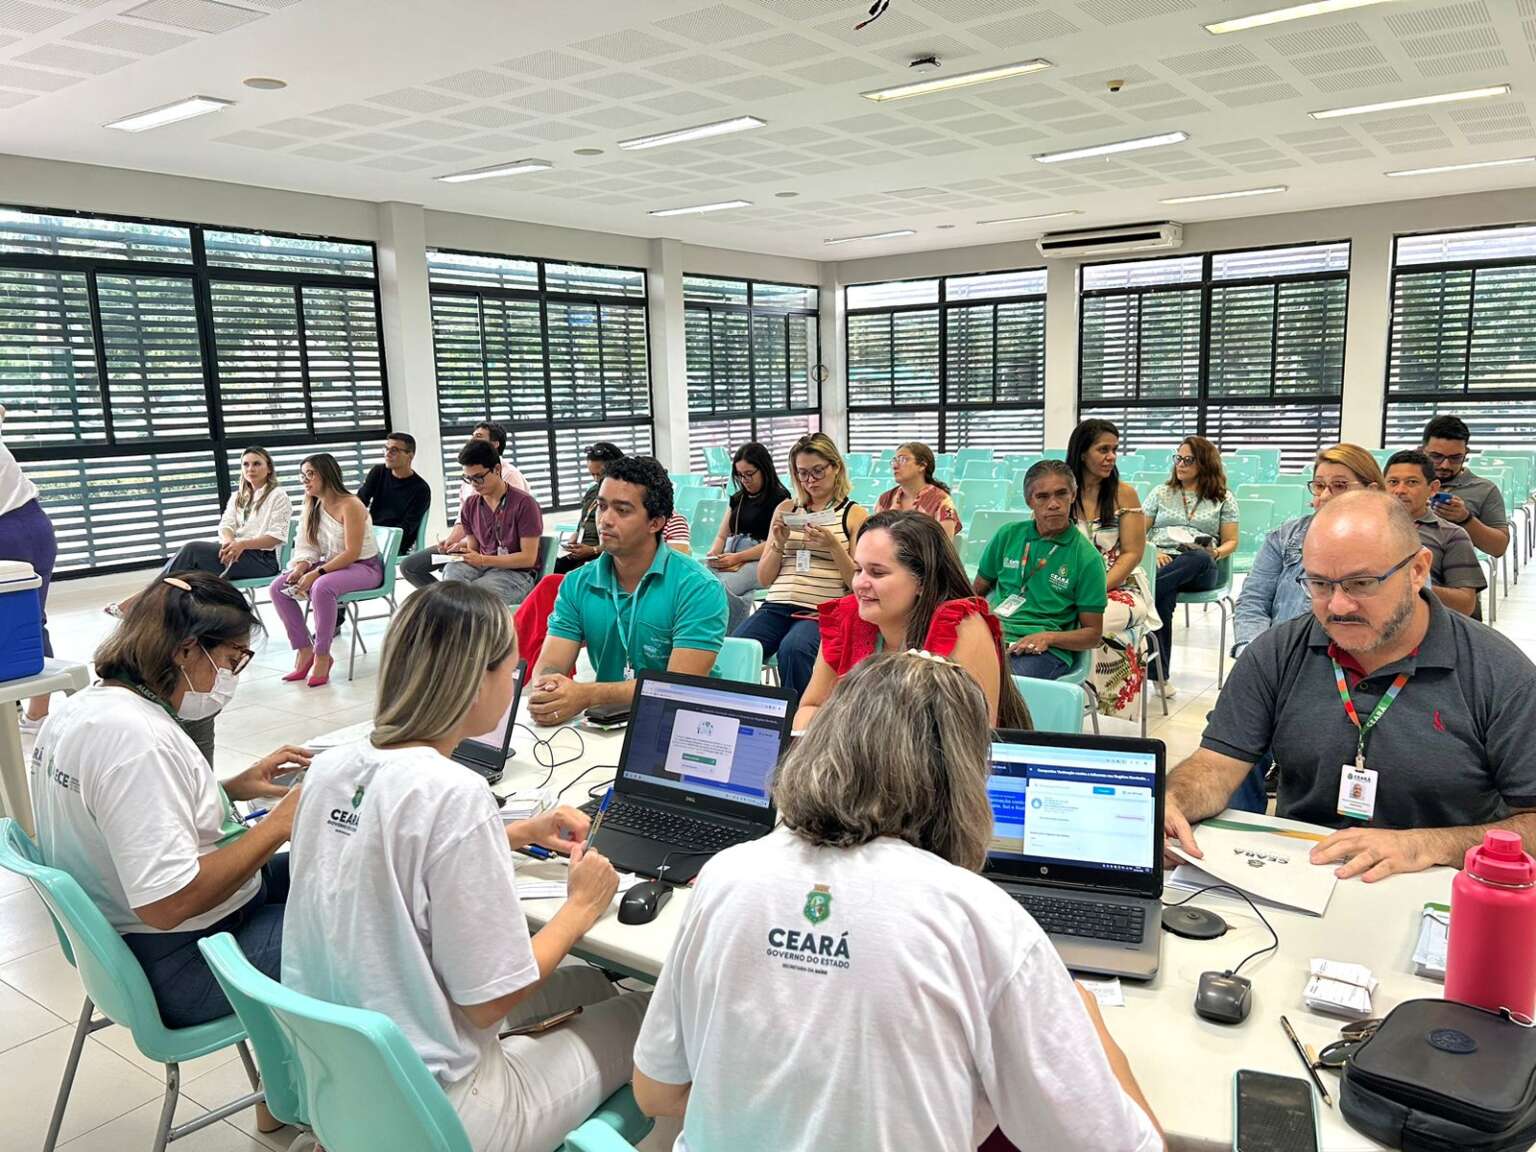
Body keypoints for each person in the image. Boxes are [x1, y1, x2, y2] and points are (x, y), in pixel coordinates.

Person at [632, 652, 1163, 1151]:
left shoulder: (725, 874)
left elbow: (655, 1094)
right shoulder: (982, 920)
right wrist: (1089, 1025)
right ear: (967, 776)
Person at [282, 581, 647, 1151]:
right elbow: (488, 1003)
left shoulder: (332, 769)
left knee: (589, 982)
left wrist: (516, 833)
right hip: (449, 1112)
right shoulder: (454, 794)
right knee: (648, 1012)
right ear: (477, 680)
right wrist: (580, 909)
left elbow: (387, 850)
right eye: (511, 671)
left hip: (349, 1082)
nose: (516, 682)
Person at [1165, 491, 1536, 884]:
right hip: (1306, 876)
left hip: (1436, 886)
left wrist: (1426, 845)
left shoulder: (1498, 673)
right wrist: (1173, 802)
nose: (1338, 606)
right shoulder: (1276, 653)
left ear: (1417, 570)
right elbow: (1214, 768)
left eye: (1361, 583)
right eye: (1320, 584)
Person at [29, 572, 308, 1029]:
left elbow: (129, 815)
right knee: (365, 922)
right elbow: (168, 903)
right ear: (185, 650)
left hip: (141, 941)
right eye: (231, 660)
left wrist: (235, 786)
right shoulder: (139, 742)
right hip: (182, 961)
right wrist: (277, 824)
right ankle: (301, 1090)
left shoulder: (89, 707)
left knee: (337, 867)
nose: (230, 677)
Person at [528, 456, 727, 726]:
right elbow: (551, 663)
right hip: (608, 722)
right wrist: (549, 687)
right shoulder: (577, 583)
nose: (605, 520)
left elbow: (675, 688)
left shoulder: (698, 588)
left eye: (622, 510)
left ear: (655, 523)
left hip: (683, 725)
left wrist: (586, 695)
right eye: (601, 506)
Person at [793, 510, 1030, 730]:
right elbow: (806, 711)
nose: (859, 584)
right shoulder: (847, 616)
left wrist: (849, 734)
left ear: (923, 581)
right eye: (858, 570)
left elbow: (970, 742)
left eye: (877, 573)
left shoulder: (962, 625)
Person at [732, 433, 868, 699]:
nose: (810, 481)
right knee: (737, 647)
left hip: (822, 607)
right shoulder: (786, 508)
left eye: (817, 471)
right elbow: (765, 577)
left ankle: (798, 727)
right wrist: (778, 545)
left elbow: (858, 582)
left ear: (835, 467)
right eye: (802, 474)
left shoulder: (854, 514)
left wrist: (833, 546)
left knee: (794, 649)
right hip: (778, 602)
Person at [1232, 444, 1385, 659]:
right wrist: (1255, 655)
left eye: (1340, 485)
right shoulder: (1284, 537)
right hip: (1284, 656)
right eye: (1320, 486)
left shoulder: (1396, 544)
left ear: (1371, 491)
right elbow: (1254, 600)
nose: (1325, 495)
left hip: (1362, 663)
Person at [106, 446, 292, 620]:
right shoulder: (238, 496)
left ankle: (142, 601)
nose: (250, 468)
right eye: (246, 464)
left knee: (192, 550)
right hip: (234, 553)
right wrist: (230, 542)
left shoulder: (278, 495)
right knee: (187, 572)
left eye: (257, 463)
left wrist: (241, 544)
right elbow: (226, 525)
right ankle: (164, 613)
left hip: (262, 561)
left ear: (269, 469)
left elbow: (275, 538)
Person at [974, 460, 1107, 681]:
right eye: (1042, 497)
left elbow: (1092, 635)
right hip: (995, 636)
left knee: (998, 684)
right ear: (1029, 501)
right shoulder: (1008, 535)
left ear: (1073, 495)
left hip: (1045, 651)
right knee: (940, 675)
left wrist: (1049, 638)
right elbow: (975, 592)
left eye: (1061, 494)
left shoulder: (1087, 558)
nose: (1053, 504)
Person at [268, 453, 382, 688]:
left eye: (310, 474)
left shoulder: (351, 504)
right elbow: (307, 545)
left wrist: (316, 574)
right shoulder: (312, 503)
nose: (305, 480)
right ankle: (304, 649)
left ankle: (322, 655)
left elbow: (352, 552)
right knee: (278, 587)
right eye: (303, 476)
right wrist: (300, 568)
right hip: (334, 566)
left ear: (327, 474)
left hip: (364, 567)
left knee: (322, 587)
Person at [1067, 419, 1154, 709]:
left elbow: (1132, 553)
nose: (1111, 457)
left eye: (1114, 450)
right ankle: (1067, 702)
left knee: (1094, 622)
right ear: (1082, 453)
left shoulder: (1124, 494)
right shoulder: (1063, 493)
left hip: (1120, 586)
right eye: (1103, 449)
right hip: (1069, 585)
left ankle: (1104, 711)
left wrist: (1094, 589)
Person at [1141, 436, 1239, 679]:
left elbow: (1231, 542)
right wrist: (1155, 552)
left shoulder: (1223, 498)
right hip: (1164, 562)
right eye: (1178, 458)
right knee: (1163, 597)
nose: (1181, 464)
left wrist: (1215, 553)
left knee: (1199, 557)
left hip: (1201, 566)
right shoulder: (1161, 492)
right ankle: (1159, 676)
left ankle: (1144, 593)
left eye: (1188, 460)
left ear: (1205, 463)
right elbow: (1137, 534)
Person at [402, 440, 543, 605]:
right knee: (451, 576)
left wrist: (483, 560)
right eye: (469, 479)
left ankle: (453, 622)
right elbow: (474, 548)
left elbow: (528, 558)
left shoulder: (524, 503)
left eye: (479, 478)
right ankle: (452, 620)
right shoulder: (471, 504)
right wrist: (458, 549)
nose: (474, 485)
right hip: (484, 566)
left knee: (473, 596)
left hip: (516, 573)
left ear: (497, 469)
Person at [0, 405, 59, 732]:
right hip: (35, 525)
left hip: (6, 535)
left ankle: (25, 705)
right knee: (29, 619)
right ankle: (37, 712)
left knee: (17, 619)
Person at [1385, 449, 1485, 618]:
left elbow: (1466, 604)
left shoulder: (1451, 535)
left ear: (1433, 489)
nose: (1400, 490)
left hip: (1426, 625)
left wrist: (1415, 583)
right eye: (1393, 482)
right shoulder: (1364, 530)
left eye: (1411, 482)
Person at [703, 442, 790, 631]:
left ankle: (726, 637)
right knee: (700, 580)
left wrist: (737, 557)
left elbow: (773, 543)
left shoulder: (780, 500)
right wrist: (714, 553)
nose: (745, 480)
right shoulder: (738, 499)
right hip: (731, 554)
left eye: (750, 474)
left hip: (760, 559)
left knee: (722, 587)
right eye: (740, 475)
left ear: (764, 470)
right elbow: (721, 535)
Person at [1421, 414, 1508, 560]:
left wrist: (1465, 519)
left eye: (1455, 458)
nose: (1445, 465)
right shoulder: (1403, 483)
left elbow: (1498, 548)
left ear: (1466, 453)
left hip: (1454, 571)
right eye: (1436, 456)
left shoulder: (1484, 489)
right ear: (1423, 450)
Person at [554, 442, 624, 576]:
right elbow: (582, 522)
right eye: (593, 474)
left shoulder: (621, 496)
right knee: (549, 569)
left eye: (601, 474)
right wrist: (574, 537)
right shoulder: (592, 491)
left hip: (599, 554)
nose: (597, 479)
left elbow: (621, 542)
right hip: (580, 551)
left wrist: (593, 550)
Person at [357, 431, 432, 552]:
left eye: (394, 450)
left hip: (395, 541)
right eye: (386, 449)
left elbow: (407, 528)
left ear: (410, 455)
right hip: (372, 536)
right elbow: (359, 503)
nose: (387, 454)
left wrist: (378, 536)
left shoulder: (421, 489)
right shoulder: (378, 472)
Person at [874, 442, 961, 537]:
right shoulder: (885, 500)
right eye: (894, 461)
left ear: (922, 465)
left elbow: (944, 546)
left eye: (903, 459)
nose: (895, 466)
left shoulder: (941, 501)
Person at [461, 421, 531, 498]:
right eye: (472, 436)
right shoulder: (469, 474)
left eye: (478, 436)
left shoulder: (510, 474)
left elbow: (516, 507)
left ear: (495, 444)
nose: (471, 440)